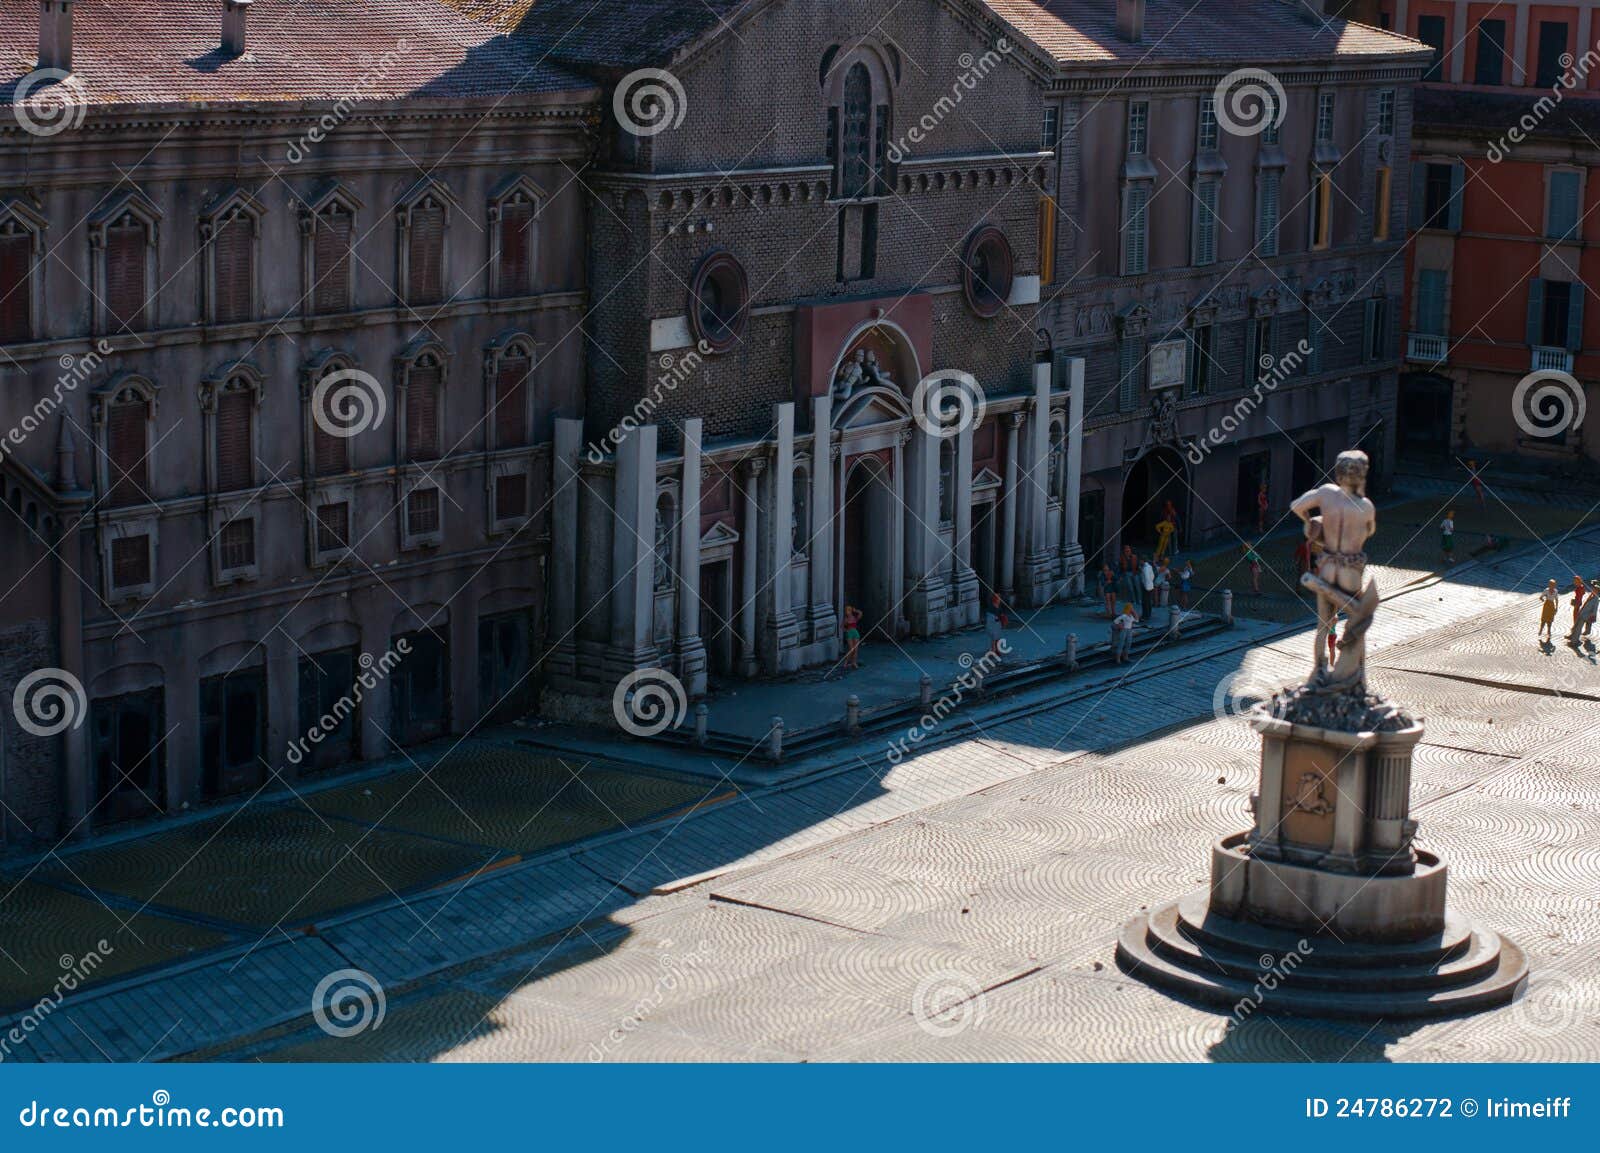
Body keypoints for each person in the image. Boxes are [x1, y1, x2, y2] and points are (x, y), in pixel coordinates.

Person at [985, 591, 1008, 659]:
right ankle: (994, 651)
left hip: (997, 625)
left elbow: (1001, 615)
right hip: (993, 625)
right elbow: (991, 617)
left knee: (997, 638)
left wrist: (1002, 618)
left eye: (999, 598)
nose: (999, 600)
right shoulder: (992, 608)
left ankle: (996, 650)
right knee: (994, 639)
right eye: (998, 599)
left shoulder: (997, 607)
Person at [842, 605, 862, 669]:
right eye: (846, 610)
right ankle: (846, 662)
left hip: (855, 633)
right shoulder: (846, 619)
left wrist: (855, 610)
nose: (847, 612)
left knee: (856, 650)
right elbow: (842, 627)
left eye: (848, 610)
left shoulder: (854, 617)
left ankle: (854, 662)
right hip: (849, 634)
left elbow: (860, 613)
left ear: (851, 611)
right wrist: (846, 630)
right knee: (851, 649)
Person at [1139, 554, 1156, 620]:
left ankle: (1145, 616)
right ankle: (1148, 614)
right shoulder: (1149, 566)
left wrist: (1145, 584)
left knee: (1145, 602)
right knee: (1148, 601)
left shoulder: (1145, 568)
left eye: (1140, 560)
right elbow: (1153, 576)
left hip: (1146, 586)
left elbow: (1146, 577)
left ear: (1142, 560)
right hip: (1150, 586)